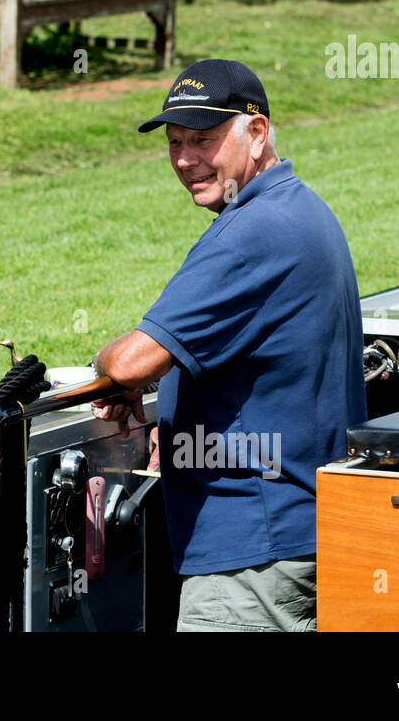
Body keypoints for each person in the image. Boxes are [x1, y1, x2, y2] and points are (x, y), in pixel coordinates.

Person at [90, 58, 366, 632]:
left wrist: (114, 372)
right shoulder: (301, 208)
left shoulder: (252, 232)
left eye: (205, 139)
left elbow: (128, 361)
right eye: (174, 142)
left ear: (257, 132)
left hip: (250, 553)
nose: (187, 159)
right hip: (304, 529)